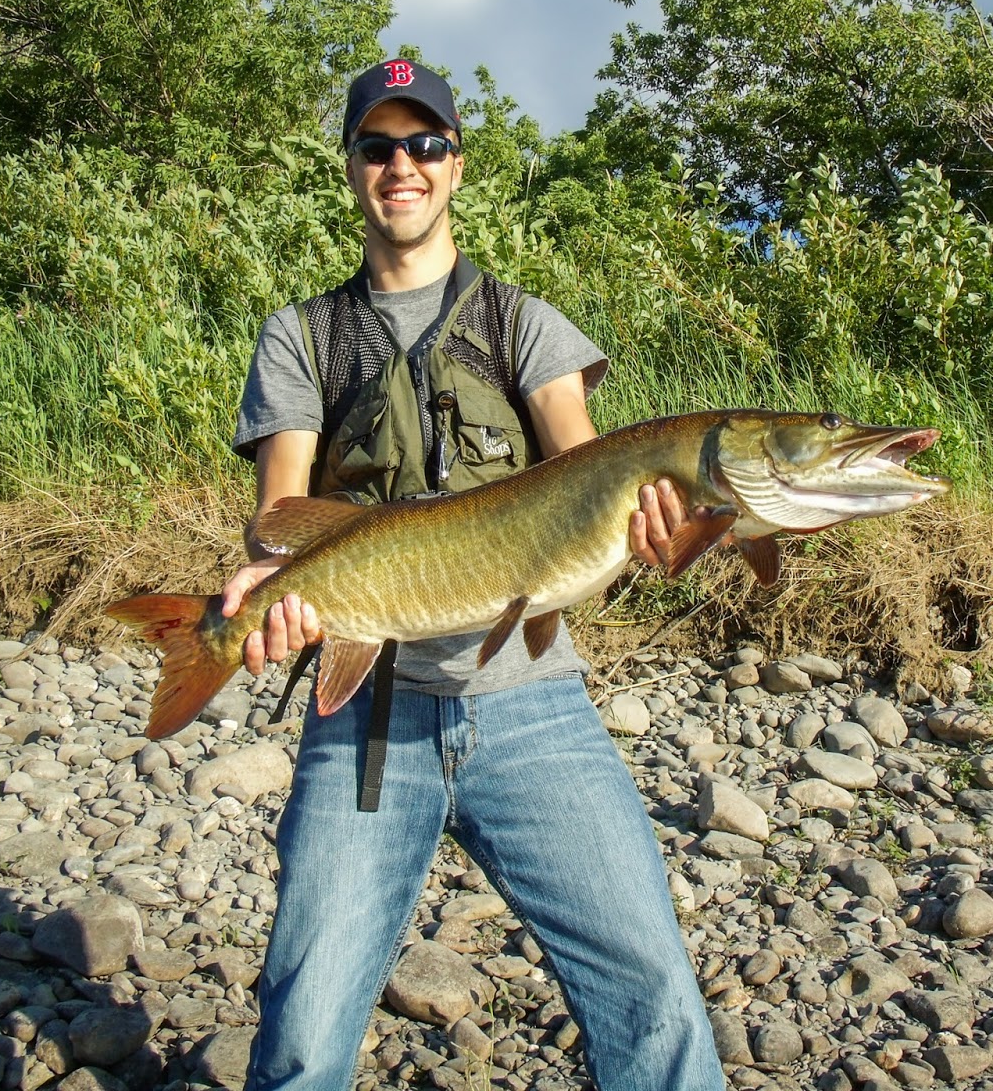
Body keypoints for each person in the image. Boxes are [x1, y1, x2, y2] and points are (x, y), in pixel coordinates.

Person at [221, 58, 727, 1091]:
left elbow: (599, 484)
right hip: (367, 724)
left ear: (457, 165)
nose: (401, 165)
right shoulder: (299, 336)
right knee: (306, 1034)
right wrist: (254, 600)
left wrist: (680, 528)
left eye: (426, 145)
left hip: (531, 708)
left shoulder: (523, 324)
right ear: (353, 166)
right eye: (378, 146)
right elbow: (278, 524)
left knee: (656, 999)